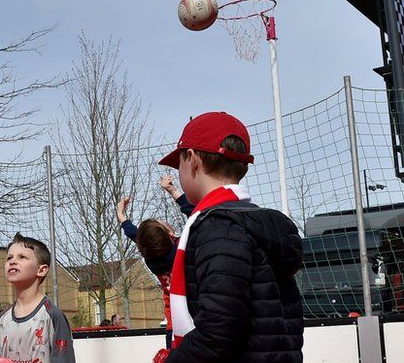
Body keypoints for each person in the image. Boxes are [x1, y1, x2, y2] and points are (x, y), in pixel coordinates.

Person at [154, 112, 303, 363]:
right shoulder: (249, 223)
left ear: (192, 159)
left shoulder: (219, 229)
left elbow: (218, 332)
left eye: (177, 162)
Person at [116, 174, 196, 347]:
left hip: (173, 327)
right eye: (162, 222)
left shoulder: (152, 258)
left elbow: (133, 232)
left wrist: (120, 214)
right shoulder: (183, 251)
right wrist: (172, 190)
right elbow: (197, 214)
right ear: (169, 234)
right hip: (193, 322)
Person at [0, 233, 75, 363]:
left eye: (22, 257)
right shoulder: (2, 319)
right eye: (9, 258)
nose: (12, 261)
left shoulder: (52, 315)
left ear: (42, 270)